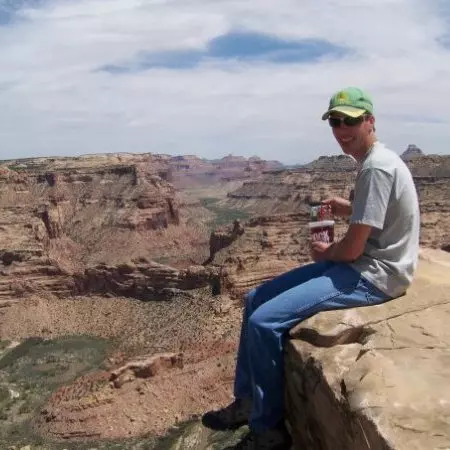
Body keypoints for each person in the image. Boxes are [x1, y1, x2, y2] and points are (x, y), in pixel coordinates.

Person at [202, 87, 421, 449]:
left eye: (350, 120)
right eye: (335, 121)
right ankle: (247, 401)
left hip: (375, 276)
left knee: (263, 322)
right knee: (256, 297)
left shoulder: (377, 168)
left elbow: (351, 250)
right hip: (367, 264)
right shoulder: (376, 161)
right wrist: (346, 209)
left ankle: (268, 431)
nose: (341, 129)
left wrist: (326, 252)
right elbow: (380, 214)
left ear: (370, 121)